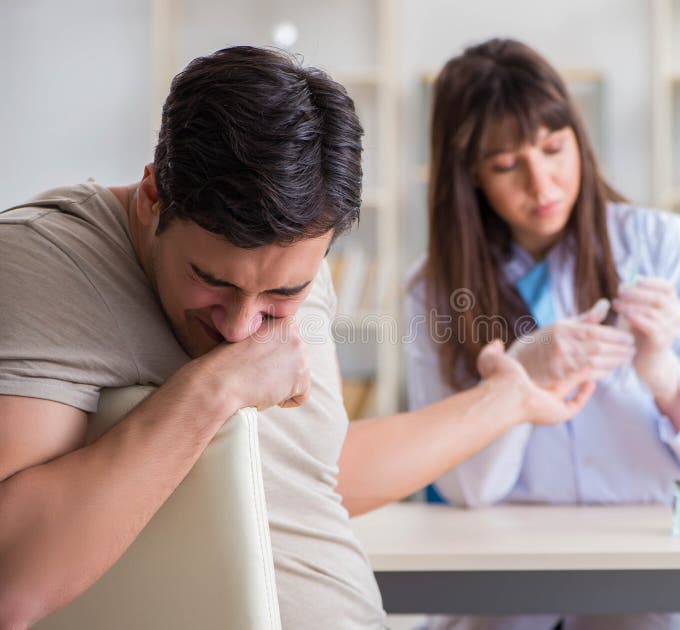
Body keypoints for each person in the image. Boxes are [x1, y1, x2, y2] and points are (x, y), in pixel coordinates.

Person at [0, 46, 594, 630]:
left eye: (282, 294)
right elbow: (11, 583)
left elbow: (317, 476)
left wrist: (505, 400)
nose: (241, 328)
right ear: (154, 199)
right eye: (212, 281)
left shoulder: (302, 247)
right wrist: (215, 391)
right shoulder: (44, 260)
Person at [405, 38, 680, 630]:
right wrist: (517, 378)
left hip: (654, 569)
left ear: (579, 140)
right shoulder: (434, 288)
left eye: (553, 149)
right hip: (507, 574)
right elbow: (466, 489)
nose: (541, 184)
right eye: (506, 165)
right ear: (470, 176)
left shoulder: (661, 245)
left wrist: (662, 374)